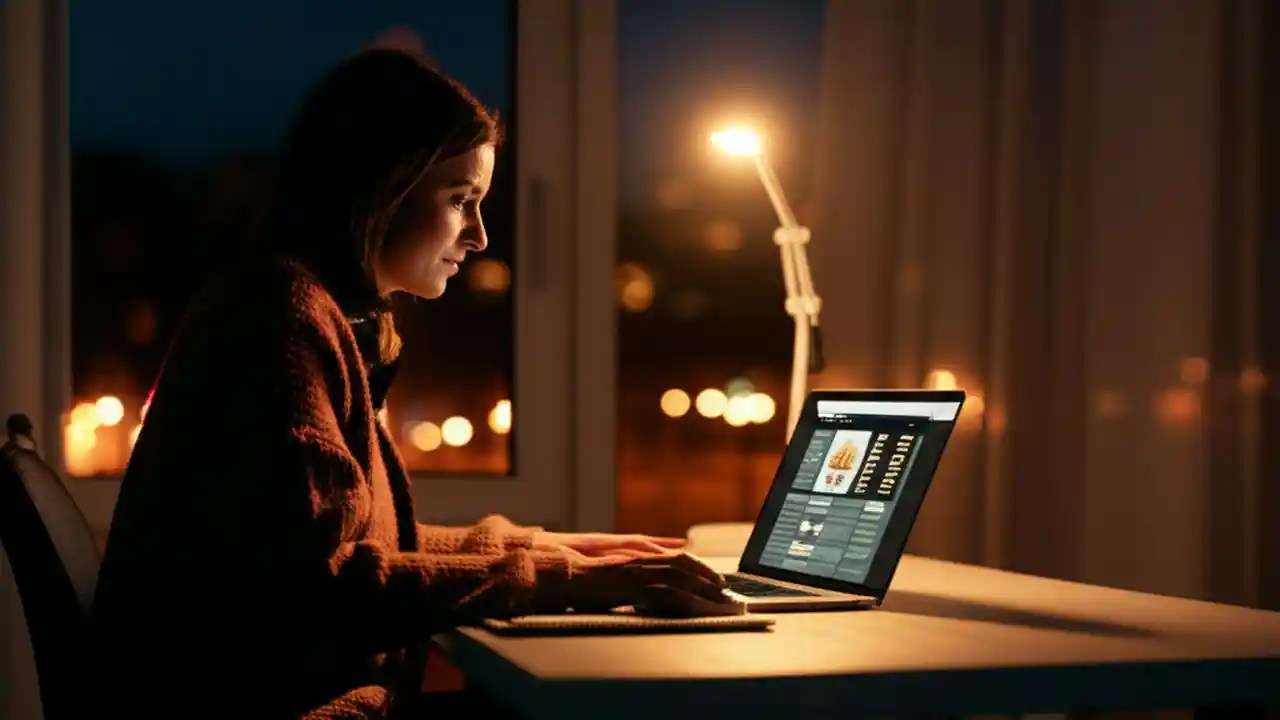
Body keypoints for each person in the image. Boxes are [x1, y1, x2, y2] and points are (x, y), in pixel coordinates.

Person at [90, 48, 732, 720]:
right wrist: (561, 580)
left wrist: (546, 552)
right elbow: (320, 587)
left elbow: (351, 548)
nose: (480, 236)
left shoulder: (298, 308)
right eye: (462, 200)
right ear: (381, 189)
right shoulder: (277, 322)